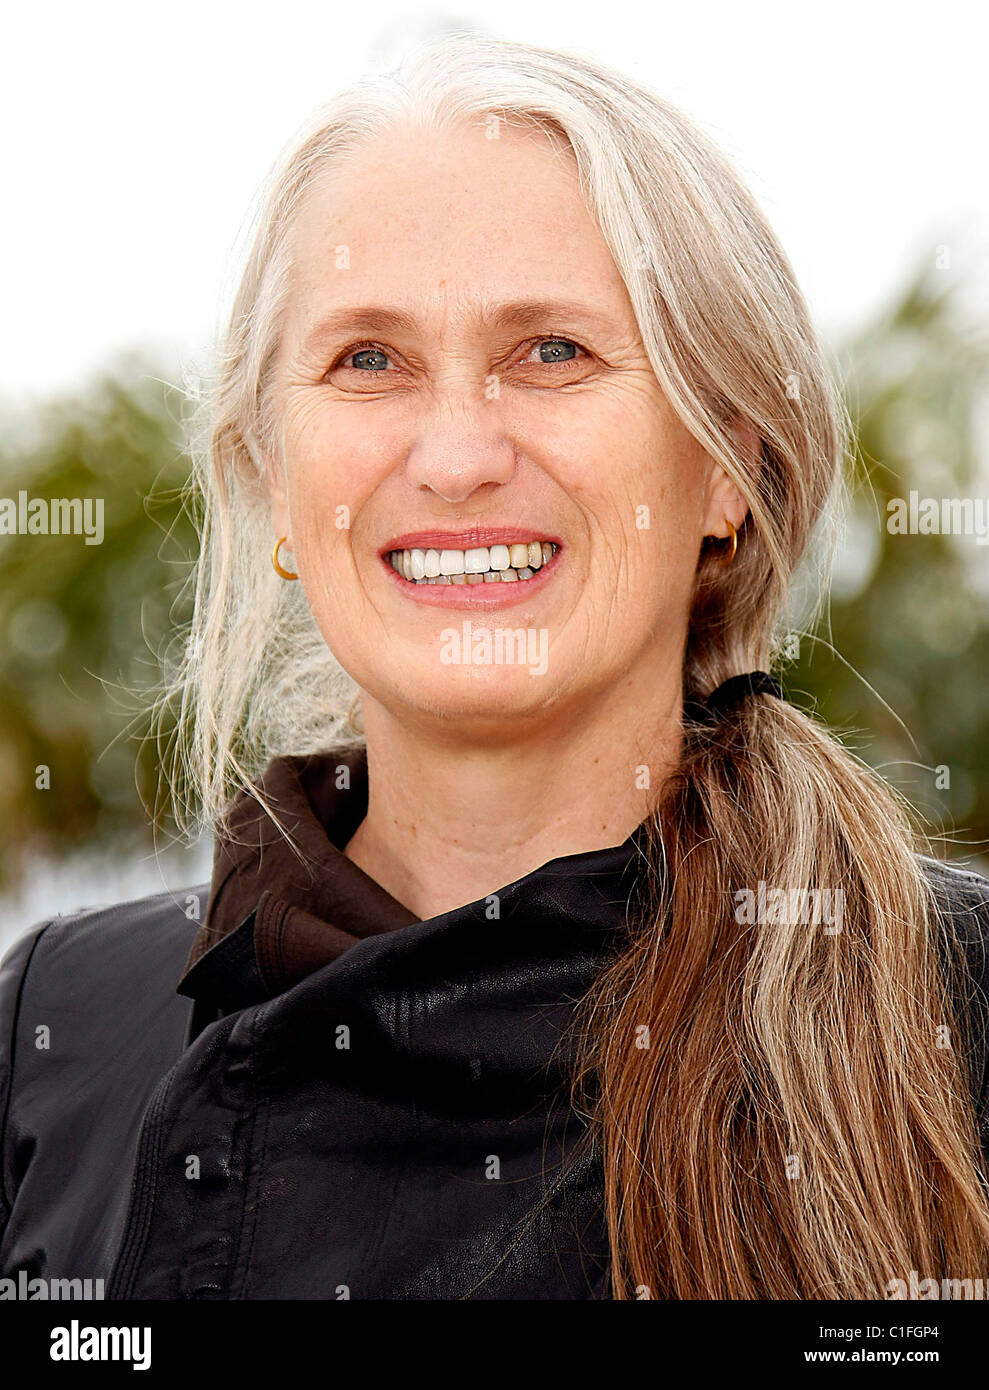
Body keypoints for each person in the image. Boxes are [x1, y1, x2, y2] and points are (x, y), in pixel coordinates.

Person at [2, 35, 988, 1301]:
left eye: (552, 352)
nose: (457, 453)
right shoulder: (61, 1027)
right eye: (368, 358)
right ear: (275, 482)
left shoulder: (948, 1007)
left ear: (725, 470)